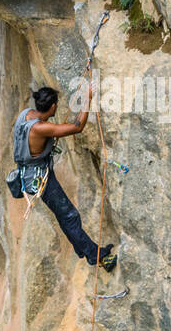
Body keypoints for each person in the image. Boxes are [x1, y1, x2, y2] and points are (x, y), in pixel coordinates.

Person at [11, 84, 118, 272]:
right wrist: (88, 99)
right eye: (56, 104)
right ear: (52, 107)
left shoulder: (26, 114)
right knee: (69, 216)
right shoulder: (41, 128)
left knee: (65, 217)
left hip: (28, 172)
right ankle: (96, 256)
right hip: (38, 179)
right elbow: (77, 127)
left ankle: (86, 249)